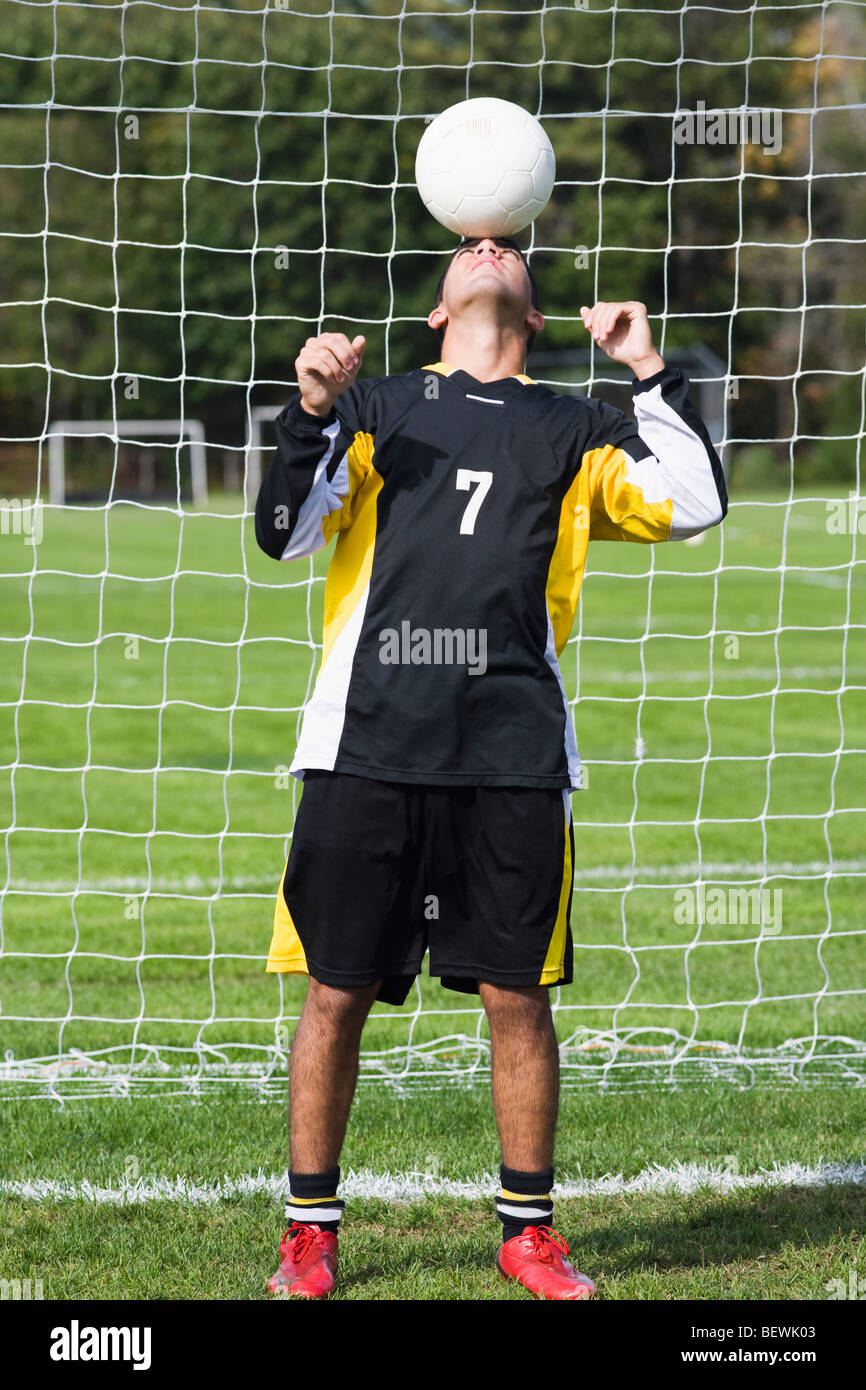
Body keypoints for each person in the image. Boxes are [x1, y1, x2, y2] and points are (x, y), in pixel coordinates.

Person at [254, 235, 727, 1300]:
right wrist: (312, 411)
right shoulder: (375, 406)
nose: (486, 244)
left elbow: (694, 503)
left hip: (511, 755)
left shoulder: (577, 424)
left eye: (506, 245)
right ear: (433, 309)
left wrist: (647, 372)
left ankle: (527, 1232)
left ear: (537, 313)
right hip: (361, 745)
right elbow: (282, 536)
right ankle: (308, 1230)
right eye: (469, 244)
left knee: (516, 997)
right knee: (334, 992)